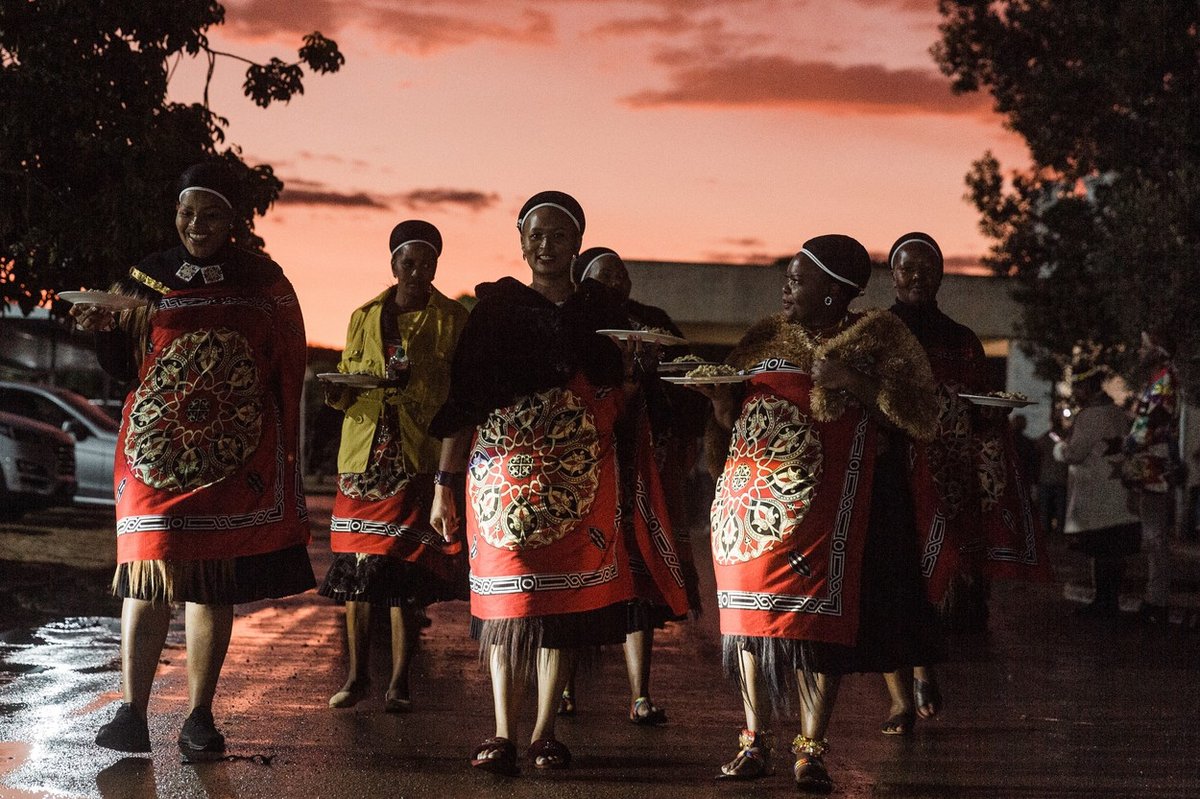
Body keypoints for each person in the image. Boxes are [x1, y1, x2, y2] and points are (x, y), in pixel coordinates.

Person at [427, 192, 687, 776]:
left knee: (562, 605)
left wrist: (640, 378)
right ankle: (501, 730)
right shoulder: (493, 312)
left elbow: (624, 400)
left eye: (559, 236)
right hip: (502, 480)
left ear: (577, 244)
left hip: (582, 479)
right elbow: (463, 402)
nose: (546, 246)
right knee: (505, 606)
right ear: (522, 242)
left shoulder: (603, 316)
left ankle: (545, 732)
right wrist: (443, 484)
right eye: (536, 235)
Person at [72, 162, 314, 758]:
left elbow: (290, 359)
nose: (195, 224)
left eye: (209, 214)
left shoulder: (263, 278)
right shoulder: (147, 274)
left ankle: (199, 717)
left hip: (231, 448)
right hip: (155, 446)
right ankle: (131, 711)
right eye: (186, 213)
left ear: (232, 220)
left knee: (210, 580)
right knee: (147, 572)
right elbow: (123, 364)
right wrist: (102, 330)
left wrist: (286, 443)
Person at [698, 234, 940, 792]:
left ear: (834, 291)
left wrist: (852, 380)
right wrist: (718, 405)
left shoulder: (880, 337)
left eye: (798, 277)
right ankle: (753, 741)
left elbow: (921, 415)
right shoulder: (763, 337)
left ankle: (811, 750)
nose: (786, 286)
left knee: (815, 629)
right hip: (755, 508)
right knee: (750, 624)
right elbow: (731, 412)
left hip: (835, 514)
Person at [318, 220, 469, 712]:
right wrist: (338, 392)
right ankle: (357, 676)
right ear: (392, 264)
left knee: (406, 570)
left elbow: (458, 395)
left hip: (415, 454)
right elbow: (348, 382)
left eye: (426, 261)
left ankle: (399, 682)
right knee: (357, 567)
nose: (416, 269)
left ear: (436, 267)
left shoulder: (452, 320)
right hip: (363, 455)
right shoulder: (364, 316)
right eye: (408, 260)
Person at [556, 247, 704, 725]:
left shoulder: (652, 321)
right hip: (588, 467)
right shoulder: (571, 323)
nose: (618, 284)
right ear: (583, 284)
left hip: (643, 470)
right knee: (578, 579)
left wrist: (656, 377)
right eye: (605, 277)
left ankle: (640, 694)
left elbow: (689, 379)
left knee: (638, 580)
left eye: (622, 275)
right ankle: (565, 689)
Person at [885, 231, 988, 728]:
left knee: (928, 580)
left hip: (943, 477)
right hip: (885, 475)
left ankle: (924, 667)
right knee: (888, 580)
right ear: (892, 275)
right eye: (908, 267)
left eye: (927, 267)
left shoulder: (962, 339)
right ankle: (900, 698)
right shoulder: (873, 332)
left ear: (942, 275)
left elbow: (984, 409)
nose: (917, 276)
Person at [1053, 367, 1140, 618]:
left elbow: (1075, 453)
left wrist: (1060, 448)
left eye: (1078, 388)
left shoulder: (1090, 416)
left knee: (1101, 551)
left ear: (1087, 389)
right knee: (1114, 552)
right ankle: (1109, 600)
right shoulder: (1119, 414)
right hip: (1119, 491)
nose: (1076, 393)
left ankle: (1103, 602)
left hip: (1097, 493)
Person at [1122, 328, 1181, 626]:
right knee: (1153, 536)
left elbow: (1148, 423)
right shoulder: (1161, 380)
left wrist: (1128, 444)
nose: (1139, 352)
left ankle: (1156, 601)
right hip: (1153, 466)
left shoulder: (1163, 382)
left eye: (1144, 347)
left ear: (1157, 350)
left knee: (1155, 537)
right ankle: (1154, 597)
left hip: (1154, 467)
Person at [1036, 420, 1070, 536]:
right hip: (1061, 477)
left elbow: (1037, 447)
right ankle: (1060, 530)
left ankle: (1045, 529)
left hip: (1046, 477)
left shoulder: (1046, 436)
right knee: (1061, 507)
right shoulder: (1066, 437)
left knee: (1045, 506)